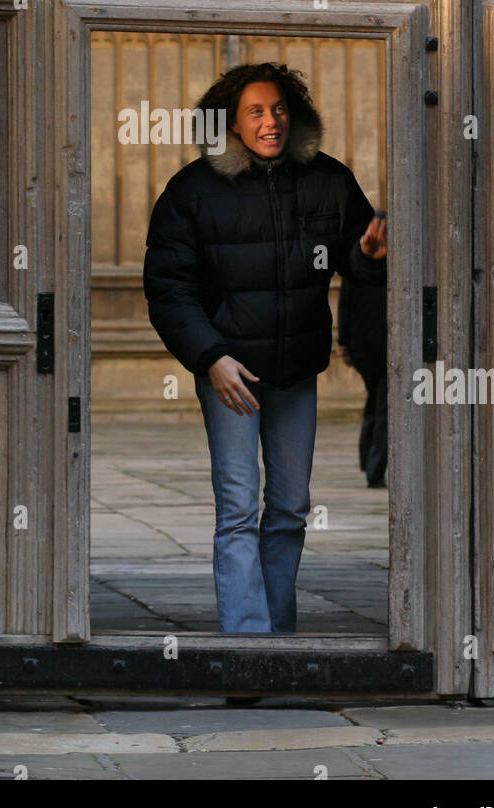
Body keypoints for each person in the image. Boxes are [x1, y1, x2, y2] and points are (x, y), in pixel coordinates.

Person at [142, 62, 387, 634]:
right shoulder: (192, 191)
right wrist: (210, 358)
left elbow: (352, 256)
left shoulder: (328, 178)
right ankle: (248, 649)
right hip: (229, 371)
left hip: (296, 370)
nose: (271, 121)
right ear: (230, 122)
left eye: (278, 109)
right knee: (237, 509)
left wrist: (369, 256)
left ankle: (278, 637)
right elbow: (168, 289)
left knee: (291, 508)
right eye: (256, 111)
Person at [337, 276, 388, 488]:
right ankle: (374, 468)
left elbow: (344, 304)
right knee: (384, 407)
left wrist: (343, 341)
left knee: (376, 400)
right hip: (381, 344)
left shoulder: (357, 261)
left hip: (362, 345)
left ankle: (368, 459)